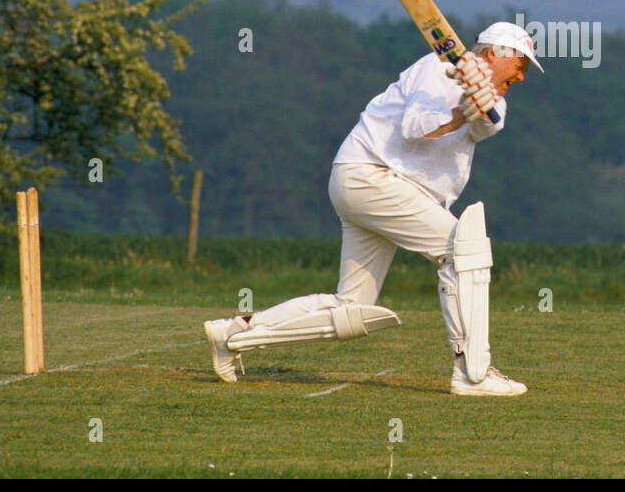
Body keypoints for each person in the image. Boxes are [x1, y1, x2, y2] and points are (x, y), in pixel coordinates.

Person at [204, 21, 543, 394]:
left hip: (373, 185)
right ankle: (471, 371)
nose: (523, 77)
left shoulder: (495, 97)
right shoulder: (436, 68)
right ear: (495, 53)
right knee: (462, 250)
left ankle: (235, 333)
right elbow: (415, 127)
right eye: (521, 65)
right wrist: (463, 110)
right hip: (372, 175)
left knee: (352, 308)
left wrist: (477, 102)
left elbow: (490, 125)